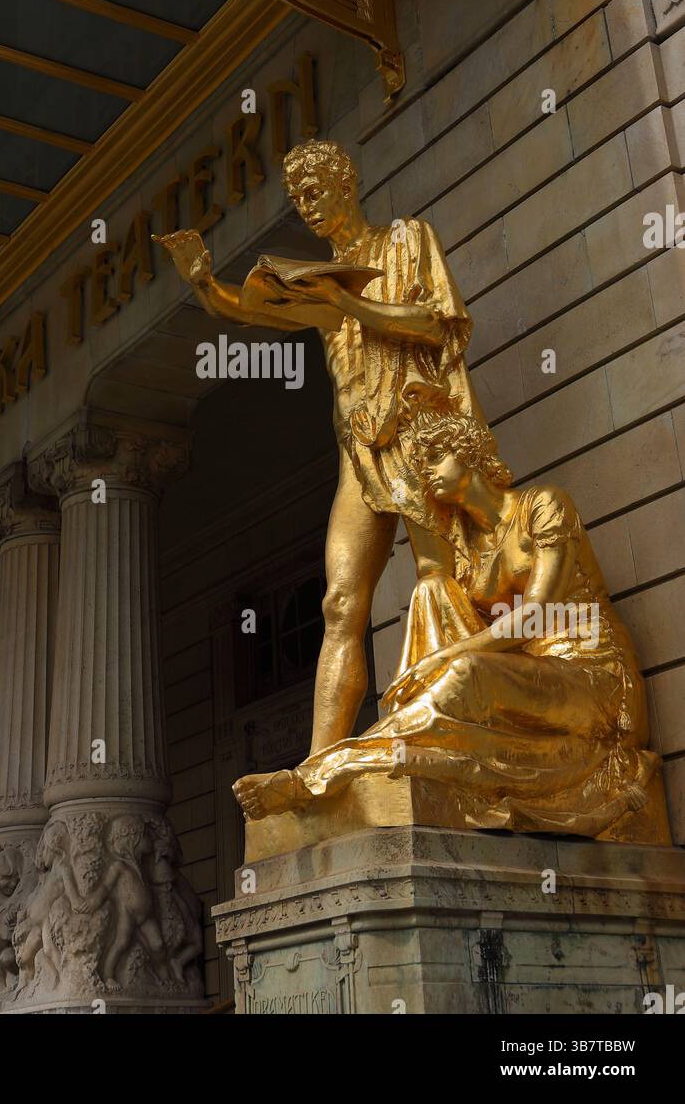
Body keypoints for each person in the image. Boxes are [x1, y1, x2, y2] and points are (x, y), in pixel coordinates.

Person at [156, 139, 484, 754]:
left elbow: (435, 324)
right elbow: (243, 310)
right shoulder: (315, 284)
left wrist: (346, 303)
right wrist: (201, 279)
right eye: (296, 198)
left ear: (344, 184)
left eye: (313, 192)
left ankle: (454, 730)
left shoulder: (405, 241)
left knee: (439, 577)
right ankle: (321, 767)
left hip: (416, 437)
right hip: (358, 458)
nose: (305, 207)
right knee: (338, 603)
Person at [233, 410, 662, 840]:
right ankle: (378, 761)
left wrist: (443, 659)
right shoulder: (471, 555)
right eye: (422, 467)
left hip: (594, 677)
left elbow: (537, 616)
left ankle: (319, 774)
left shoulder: (544, 505)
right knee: (431, 591)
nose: (428, 474)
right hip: (530, 676)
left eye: (436, 459)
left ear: (469, 454)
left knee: (467, 671)